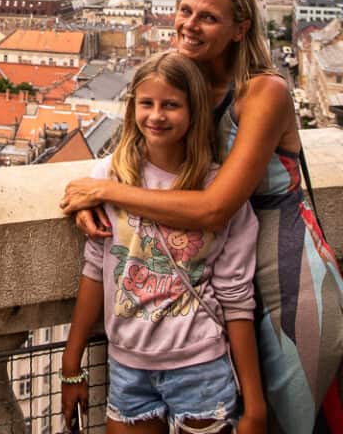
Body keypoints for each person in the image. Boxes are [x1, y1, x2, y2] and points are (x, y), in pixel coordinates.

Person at [61, 0, 343, 434]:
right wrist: (96, 195)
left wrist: (107, 191)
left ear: (240, 29)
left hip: (285, 272)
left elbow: (215, 208)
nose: (189, 25)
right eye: (185, 10)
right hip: (218, 268)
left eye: (208, 18)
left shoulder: (263, 91)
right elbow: (136, 154)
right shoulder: (182, 81)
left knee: (290, 421)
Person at [61, 50, 264, 434]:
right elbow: (95, 271)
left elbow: (237, 298)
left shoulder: (219, 190)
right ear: (132, 106)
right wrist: (71, 366)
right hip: (128, 368)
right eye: (146, 104)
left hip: (200, 366)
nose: (156, 116)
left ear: (194, 111)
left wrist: (254, 405)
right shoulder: (108, 174)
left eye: (171, 105)